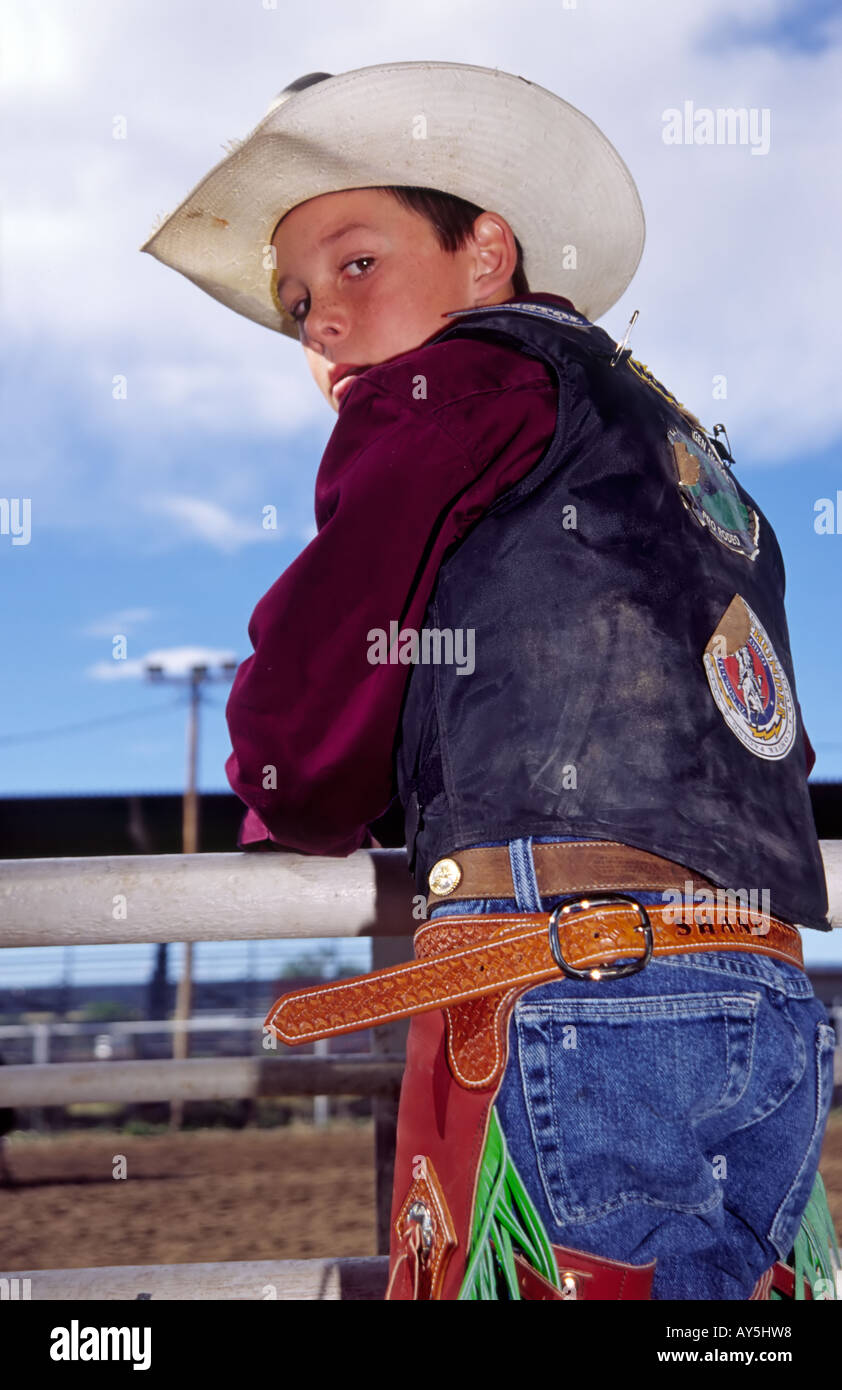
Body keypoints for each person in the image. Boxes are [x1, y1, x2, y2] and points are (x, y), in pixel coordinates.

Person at [141, 62, 836, 1300]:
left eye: (355, 264)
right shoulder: (684, 458)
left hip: (573, 976)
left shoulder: (450, 385)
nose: (322, 323)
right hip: (763, 986)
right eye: (298, 300)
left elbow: (304, 717)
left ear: (485, 254)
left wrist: (288, 794)